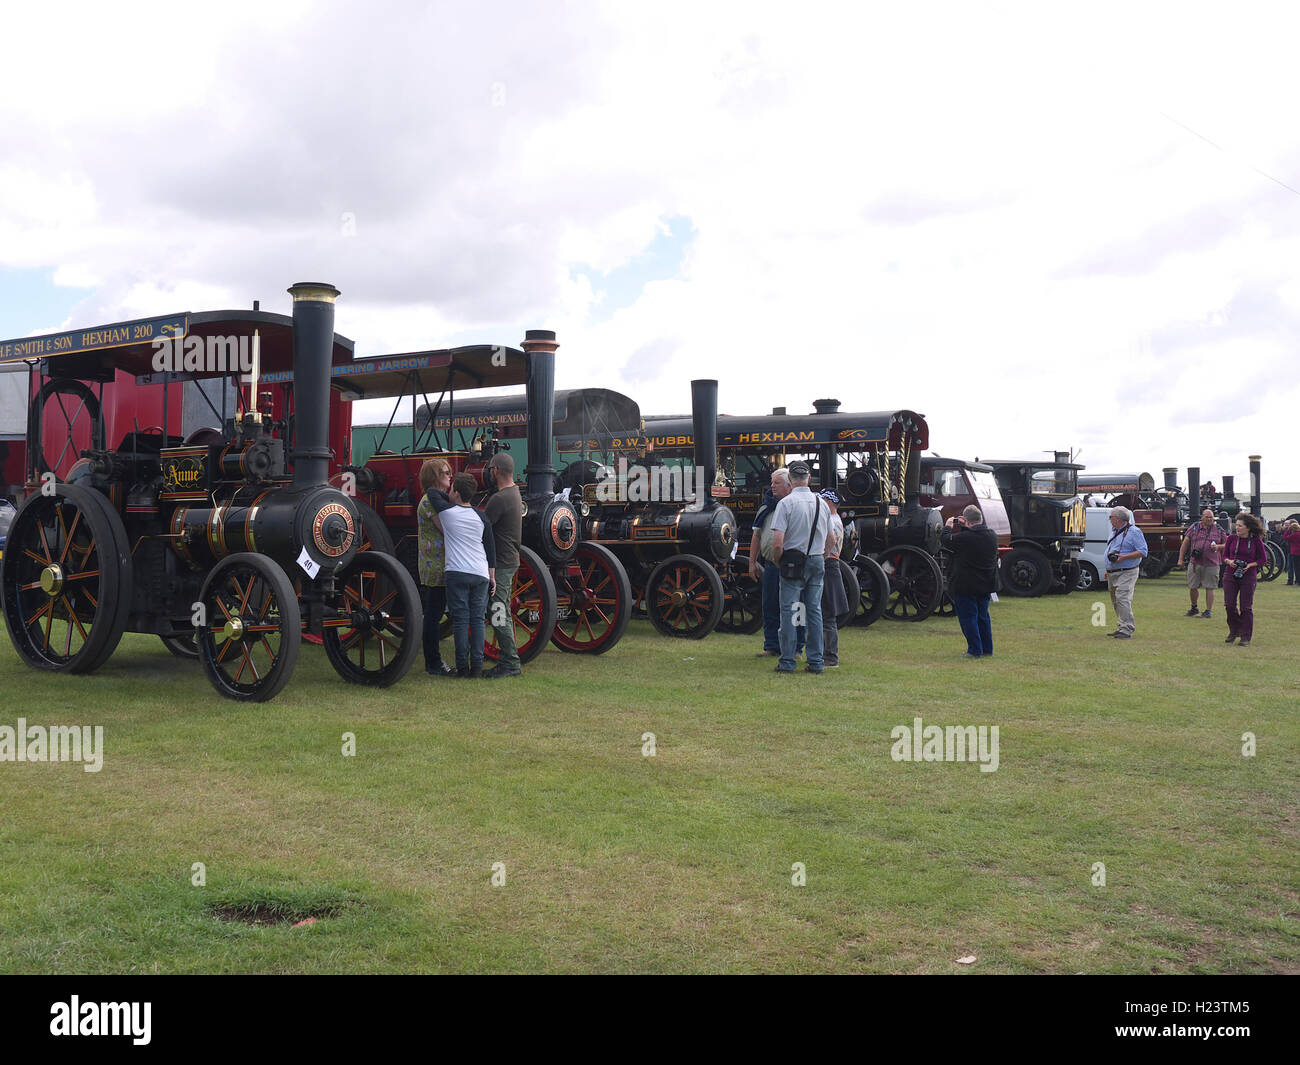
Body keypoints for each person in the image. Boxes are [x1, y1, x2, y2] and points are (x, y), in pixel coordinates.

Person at [426, 472, 496, 678]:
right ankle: (476, 667)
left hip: (457, 572)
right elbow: (490, 548)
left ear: (456, 492)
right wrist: (492, 577)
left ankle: (462, 668)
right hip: (481, 572)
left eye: (452, 489)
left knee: (460, 620)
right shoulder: (481, 516)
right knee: (477, 620)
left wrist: (448, 494)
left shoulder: (447, 512)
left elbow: (431, 492)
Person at [770, 461, 828, 674]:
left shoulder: (786, 504)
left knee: (789, 612)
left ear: (790, 480)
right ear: (809, 478)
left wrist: (778, 561)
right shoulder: (821, 503)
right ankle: (816, 661)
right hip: (817, 559)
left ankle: (787, 661)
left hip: (793, 563)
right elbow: (831, 538)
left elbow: (777, 542)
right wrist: (822, 555)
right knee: (814, 611)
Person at [747, 468, 803, 659]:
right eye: (771, 482)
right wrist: (752, 563)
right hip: (771, 565)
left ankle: (796, 648)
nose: (771, 486)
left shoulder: (795, 506)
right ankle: (771, 646)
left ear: (789, 486)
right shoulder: (765, 508)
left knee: (796, 607)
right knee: (770, 606)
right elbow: (756, 536)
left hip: (793, 566)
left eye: (776, 483)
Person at [482, 452, 524, 678]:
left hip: (501, 563)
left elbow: (484, 528)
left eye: (490, 469)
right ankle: (508, 660)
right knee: (501, 610)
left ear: (496, 470)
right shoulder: (515, 492)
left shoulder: (499, 499)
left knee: (499, 612)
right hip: (509, 560)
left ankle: (510, 662)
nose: (489, 473)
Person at [940, 504, 999, 658]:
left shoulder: (965, 538)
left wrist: (947, 526)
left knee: (968, 618)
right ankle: (987, 649)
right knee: (983, 617)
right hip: (986, 584)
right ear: (980, 519)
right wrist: (966, 526)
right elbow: (971, 539)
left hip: (966, 585)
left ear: (966, 521)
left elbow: (946, 540)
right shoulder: (991, 535)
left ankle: (974, 650)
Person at [416, 458, 456, 677]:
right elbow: (447, 528)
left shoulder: (439, 498)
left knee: (435, 612)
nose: (449, 474)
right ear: (434, 476)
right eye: (444, 471)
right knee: (433, 614)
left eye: (449, 471)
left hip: (441, 562)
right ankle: (433, 663)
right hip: (436, 564)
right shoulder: (430, 501)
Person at [1222, 513, 1266, 646]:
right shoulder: (1231, 538)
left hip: (1248, 576)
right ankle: (1235, 630)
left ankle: (1245, 636)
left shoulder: (1256, 541)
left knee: (1246, 607)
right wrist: (1229, 561)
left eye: (1240, 526)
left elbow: (1263, 560)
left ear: (1248, 528)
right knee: (1229, 605)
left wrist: (1250, 565)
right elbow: (1224, 556)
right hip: (1230, 574)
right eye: (1236, 525)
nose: (1237, 528)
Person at [1104, 506, 1147, 639]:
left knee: (1122, 598)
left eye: (1111, 517)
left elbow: (1143, 552)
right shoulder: (1115, 531)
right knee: (1116, 600)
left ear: (1118, 519)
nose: (1109, 520)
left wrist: (1124, 557)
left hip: (1127, 571)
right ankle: (1122, 626)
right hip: (1113, 571)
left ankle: (1127, 629)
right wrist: (1108, 568)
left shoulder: (1134, 532)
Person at [1178, 509, 1226, 618]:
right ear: (1202, 517)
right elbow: (1185, 543)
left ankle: (1208, 611)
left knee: (1210, 587)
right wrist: (1180, 559)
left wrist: (1218, 547)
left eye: (1211, 517)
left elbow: (1227, 544)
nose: (1209, 519)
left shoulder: (1218, 529)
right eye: (1207, 517)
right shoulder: (1194, 527)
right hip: (1195, 562)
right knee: (1193, 586)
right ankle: (1194, 607)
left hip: (1212, 563)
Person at [819, 490, 847, 669]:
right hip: (831, 565)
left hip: (829, 565)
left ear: (829, 501)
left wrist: (820, 557)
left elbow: (827, 545)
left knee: (828, 616)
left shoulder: (832, 522)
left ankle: (830, 656)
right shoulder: (836, 520)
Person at [1283, 518, 1300, 586]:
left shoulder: (1294, 535)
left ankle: (1297, 581)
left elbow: (1285, 538)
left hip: (1295, 552)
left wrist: (1288, 530)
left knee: (1296, 568)